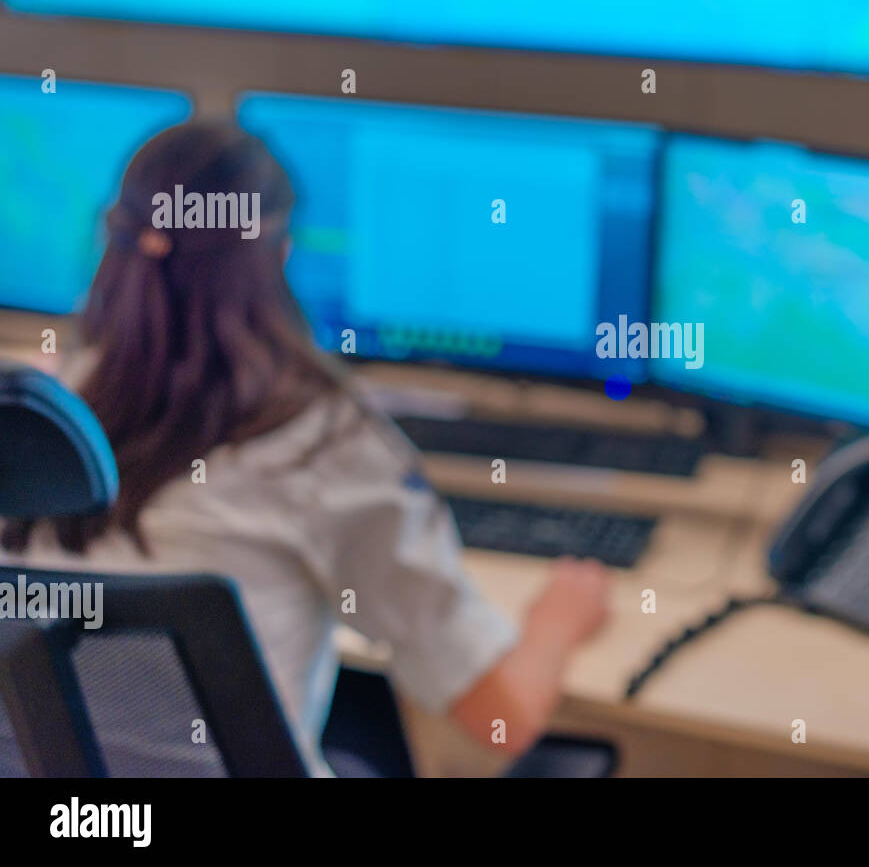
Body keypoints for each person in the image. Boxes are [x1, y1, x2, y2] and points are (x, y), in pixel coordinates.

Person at [0, 121, 612, 775]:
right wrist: (557, 621)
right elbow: (503, 718)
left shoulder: (34, 418)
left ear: (114, 242)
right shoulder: (323, 445)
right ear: (278, 256)